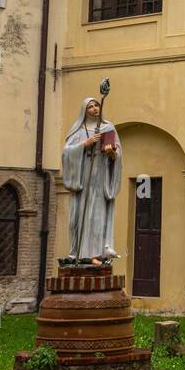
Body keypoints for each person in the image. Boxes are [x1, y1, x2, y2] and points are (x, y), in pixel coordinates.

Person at [61, 96, 121, 264]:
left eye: (97, 105)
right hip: (84, 174)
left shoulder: (108, 128)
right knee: (83, 213)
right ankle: (82, 253)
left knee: (98, 214)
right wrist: (85, 144)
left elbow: (117, 154)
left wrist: (112, 153)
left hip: (101, 175)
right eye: (91, 106)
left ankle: (98, 251)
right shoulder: (78, 131)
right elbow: (66, 153)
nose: (95, 108)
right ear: (84, 111)